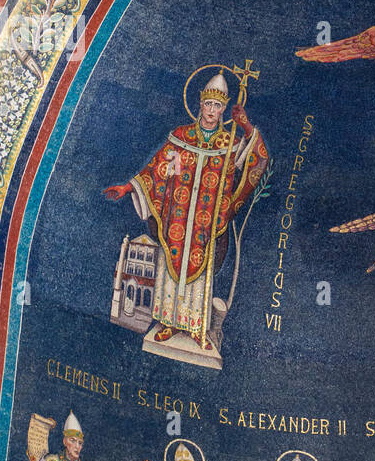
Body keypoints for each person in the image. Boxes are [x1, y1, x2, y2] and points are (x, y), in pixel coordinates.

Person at [104, 69, 269, 357]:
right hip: (178, 220)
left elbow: (259, 158)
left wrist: (245, 126)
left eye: (218, 106)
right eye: (208, 104)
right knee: (171, 269)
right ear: (200, 104)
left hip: (205, 225)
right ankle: (168, 323)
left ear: (224, 109)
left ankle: (197, 329)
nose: (212, 111)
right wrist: (129, 188)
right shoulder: (181, 136)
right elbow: (159, 169)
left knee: (200, 277)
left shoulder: (228, 144)